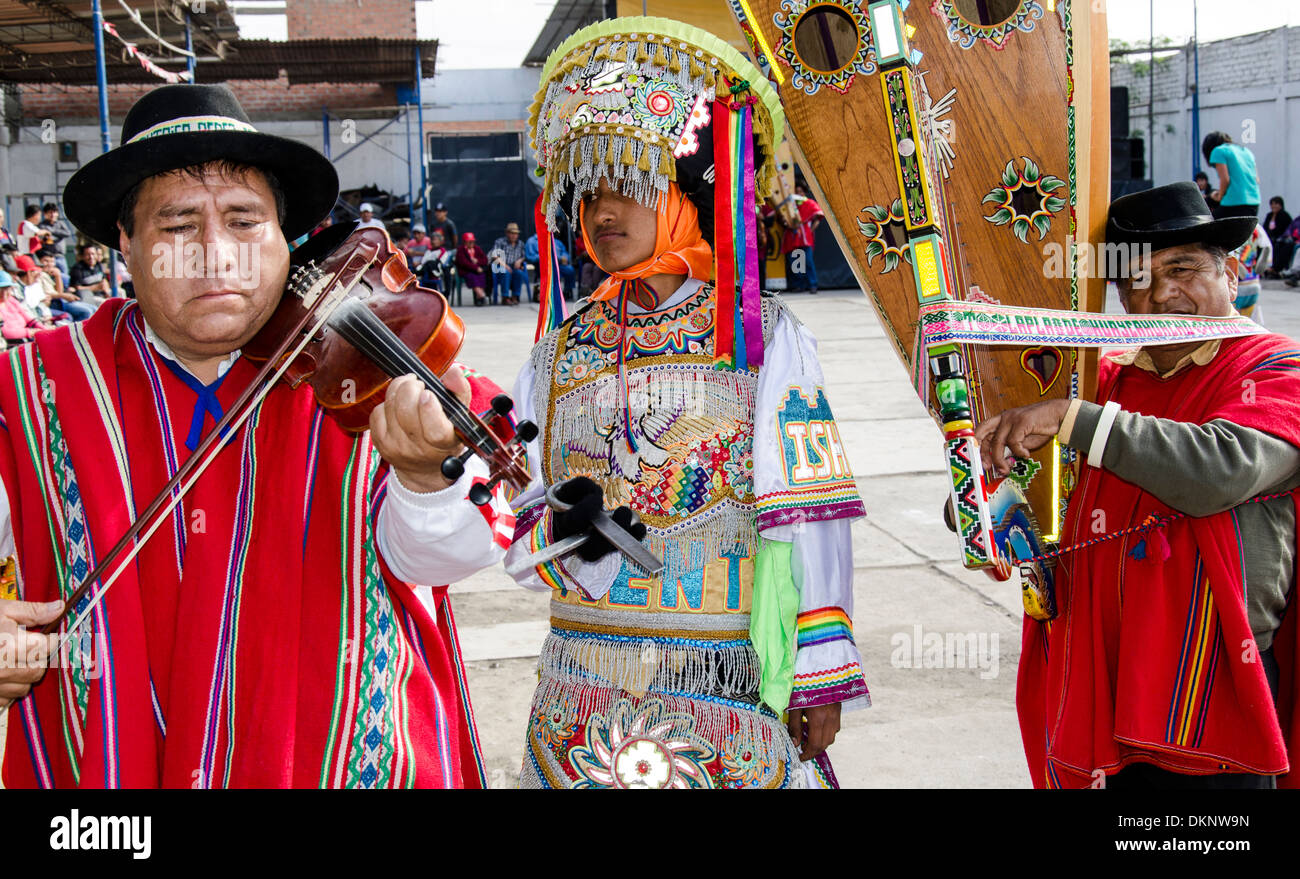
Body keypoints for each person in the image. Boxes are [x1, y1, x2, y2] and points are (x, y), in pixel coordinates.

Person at [0, 83, 510, 789]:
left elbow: (454, 555)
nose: (217, 254)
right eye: (178, 225)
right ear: (127, 241)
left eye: (244, 221)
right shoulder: (32, 388)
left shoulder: (378, 370)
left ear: (285, 238)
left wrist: (425, 480)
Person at [504, 18, 869, 789]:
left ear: (684, 194)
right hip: (580, 701)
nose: (604, 212)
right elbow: (516, 511)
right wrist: (558, 540)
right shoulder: (556, 352)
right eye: (589, 191)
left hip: (720, 694)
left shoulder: (763, 336)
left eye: (629, 186)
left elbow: (810, 507)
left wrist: (820, 668)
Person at [976, 182, 1300, 789]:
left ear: (1231, 272)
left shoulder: (1274, 365)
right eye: (1137, 280)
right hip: (1107, 682)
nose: (1160, 293)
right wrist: (984, 492)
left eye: (1182, 268)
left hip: (1213, 690)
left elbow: (1217, 470)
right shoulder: (1104, 380)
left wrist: (1068, 417)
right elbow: (1033, 503)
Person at [1202, 131, 1260, 220]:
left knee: (1208, 224)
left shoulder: (1218, 151)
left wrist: (1219, 196)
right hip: (1254, 204)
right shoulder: (1246, 151)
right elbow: (1257, 180)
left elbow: (1225, 180)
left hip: (1234, 204)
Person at [780, 183, 824, 294]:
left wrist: (811, 230)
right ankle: (798, 285)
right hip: (792, 236)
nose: (798, 193)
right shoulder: (788, 205)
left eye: (800, 191)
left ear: (804, 192)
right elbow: (782, 219)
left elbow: (818, 217)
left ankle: (812, 285)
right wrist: (787, 223)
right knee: (795, 262)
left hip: (804, 237)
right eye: (796, 191)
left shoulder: (809, 203)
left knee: (808, 261)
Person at [34, 249, 94, 322]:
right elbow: (44, 295)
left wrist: (58, 276)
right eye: (46, 261)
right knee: (86, 312)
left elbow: (59, 291)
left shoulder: (49, 274)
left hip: (61, 300)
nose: (49, 264)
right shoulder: (37, 275)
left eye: (52, 261)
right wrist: (63, 295)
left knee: (94, 309)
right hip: (54, 303)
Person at [0, 270, 47, 344]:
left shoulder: (11, 300)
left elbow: (28, 318)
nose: (4, 293)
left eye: (7, 289)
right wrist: (29, 332)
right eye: (0, 290)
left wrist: (44, 329)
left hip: (26, 336)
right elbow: (4, 332)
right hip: (10, 343)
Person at [525, 231, 576, 299]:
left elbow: (565, 253)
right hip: (542, 265)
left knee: (570, 270)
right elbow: (529, 257)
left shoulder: (556, 241)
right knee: (551, 271)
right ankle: (548, 294)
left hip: (558, 264)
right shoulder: (531, 241)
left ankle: (567, 291)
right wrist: (543, 257)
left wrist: (565, 258)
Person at [491, 222, 528, 305]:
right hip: (501, 266)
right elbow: (494, 255)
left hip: (515, 266)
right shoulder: (500, 242)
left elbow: (525, 256)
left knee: (519, 273)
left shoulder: (521, 244)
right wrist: (505, 265)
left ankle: (515, 296)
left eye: (516, 234)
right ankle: (505, 297)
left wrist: (520, 261)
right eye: (512, 233)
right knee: (505, 272)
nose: (514, 235)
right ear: (507, 233)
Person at [38, 202, 74, 285]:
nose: (52, 215)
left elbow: (67, 233)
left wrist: (52, 231)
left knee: (65, 278)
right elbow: (46, 239)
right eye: (50, 212)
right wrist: (58, 235)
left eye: (54, 212)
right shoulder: (42, 226)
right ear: (45, 214)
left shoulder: (60, 224)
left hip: (61, 256)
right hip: (49, 258)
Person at [455, 231, 489, 306]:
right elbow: (463, 263)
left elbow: (485, 260)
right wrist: (476, 268)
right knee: (472, 277)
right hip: (466, 271)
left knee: (482, 276)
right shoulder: (461, 250)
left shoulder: (477, 249)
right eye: (469, 242)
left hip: (477, 270)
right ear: (464, 242)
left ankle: (479, 298)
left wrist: (478, 261)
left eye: (472, 242)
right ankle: (482, 296)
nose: (471, 244)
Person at [1263, 196, 1293, 278]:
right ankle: (1263, 268)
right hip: (1270, 239)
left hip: (1281, 239)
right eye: (1272, 204)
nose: (1273, 206)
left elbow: (1285, 230)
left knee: (1279, 247)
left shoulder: (1284, 216)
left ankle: (1274, 269)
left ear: (1280, 205)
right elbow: (1265, 229)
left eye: (1276, 204)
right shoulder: (1269, 215)